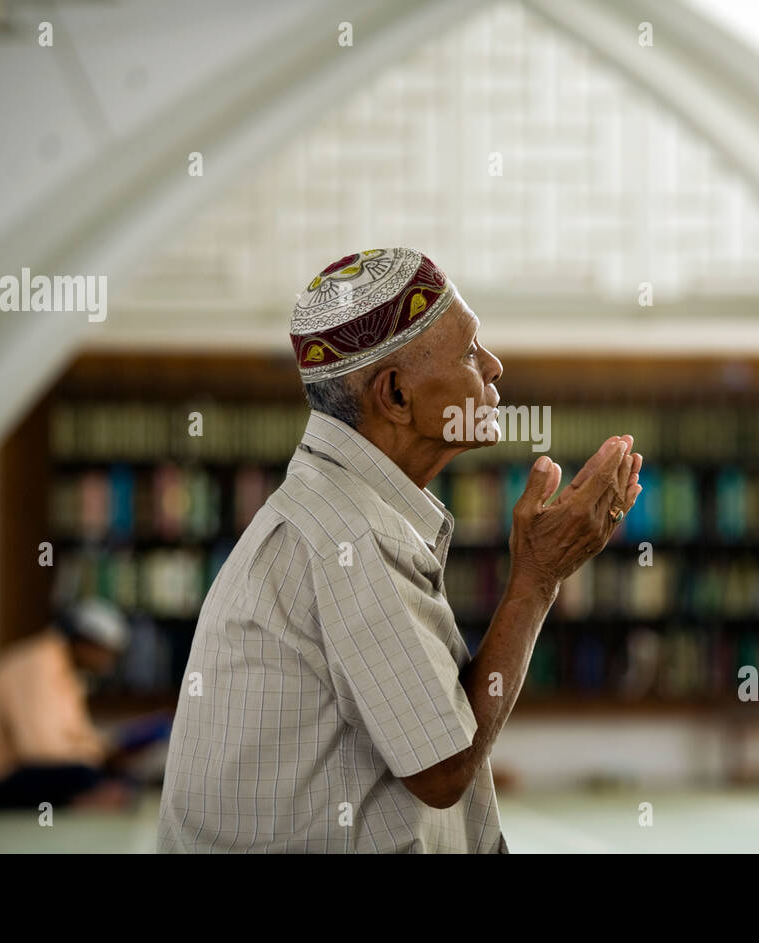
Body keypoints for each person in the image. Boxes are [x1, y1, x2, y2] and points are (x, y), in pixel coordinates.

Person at [159, 248, 642, 853]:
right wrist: (538, 579)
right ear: (396, 396)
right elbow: (442, 771)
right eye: (469, 351)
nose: (494, 366)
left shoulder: (336, 508)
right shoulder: (351, 535)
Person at [0, 598, 139, 810]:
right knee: (83, 775)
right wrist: (96, 759)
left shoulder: (67, 673)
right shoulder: (36, 666)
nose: (108, 663)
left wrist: (108, 754)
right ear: (85, 641)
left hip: (36, 772)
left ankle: (87, 797)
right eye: (106, 652)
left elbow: (78, 735)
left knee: (119, 776)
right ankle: (87, 798)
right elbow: (39, 751)